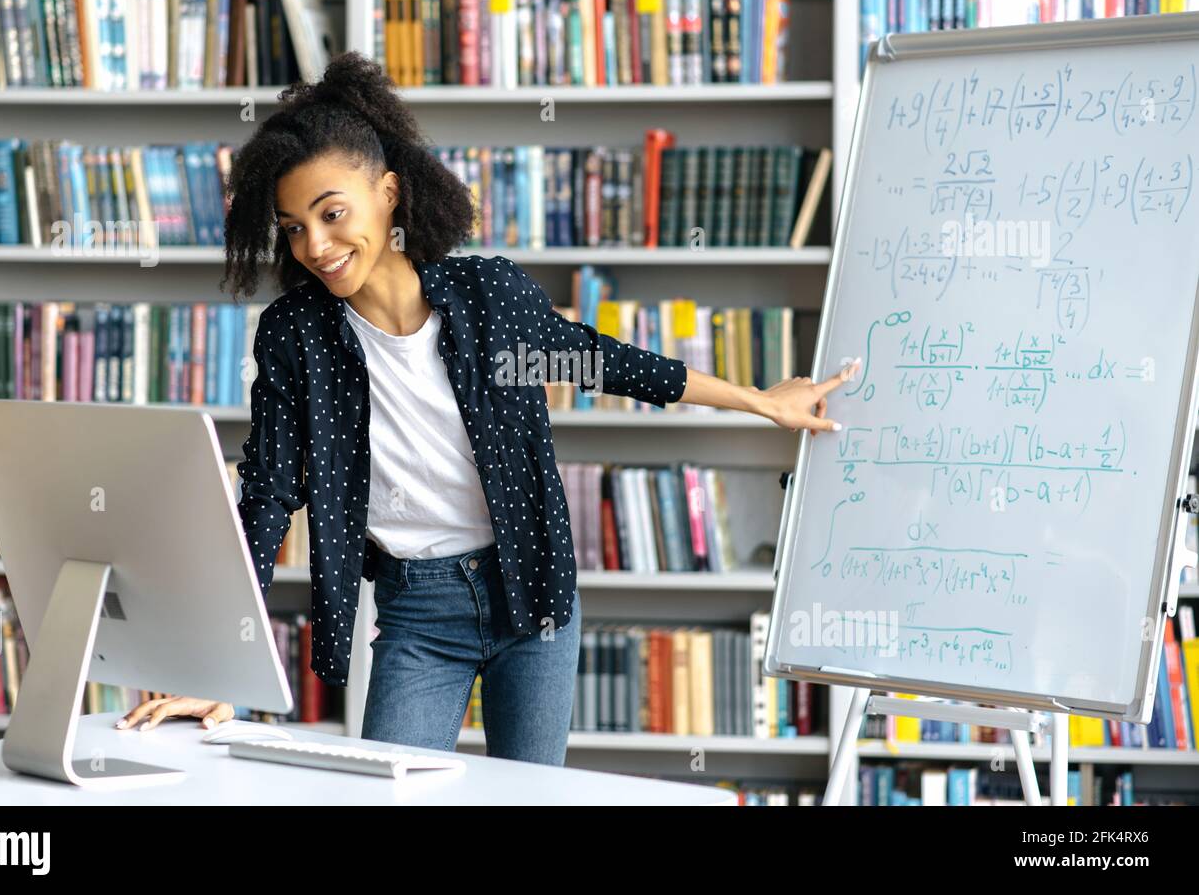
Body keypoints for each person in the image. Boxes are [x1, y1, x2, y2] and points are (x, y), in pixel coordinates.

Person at [115, 51, 859, 763]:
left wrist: (761, 402)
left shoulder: (487, 300)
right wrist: (214, 670)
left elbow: (606, 363)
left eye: (333, 212)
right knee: (392, 797)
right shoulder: (297, 337)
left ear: (391, 192)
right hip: (416, 615)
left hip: (531, 597)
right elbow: (267, 499)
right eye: (294, 226)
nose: (317, 244)